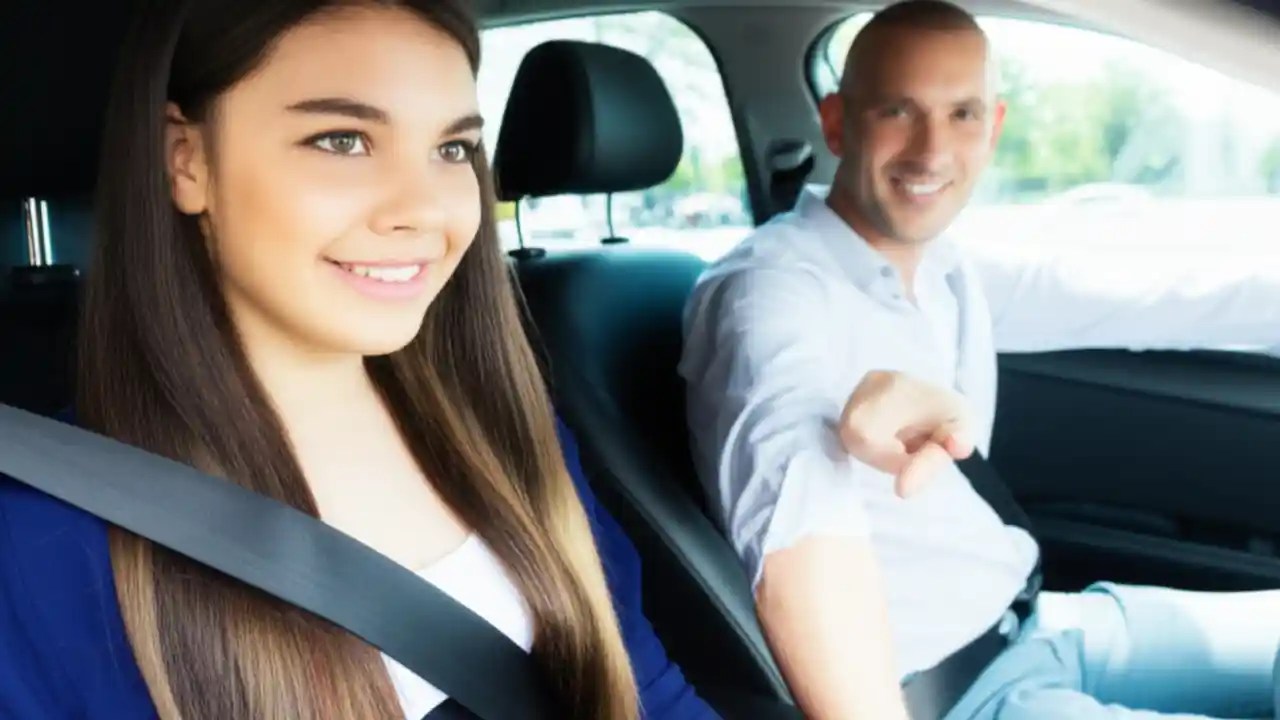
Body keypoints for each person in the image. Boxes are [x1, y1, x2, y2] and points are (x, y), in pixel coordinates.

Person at [0, 1, 718, 718]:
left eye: (453, 150)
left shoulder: (509, 434)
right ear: (185, 159)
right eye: (342, 140)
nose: (423, 209)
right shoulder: (37, 547)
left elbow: (646, 694)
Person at [680, 1, 1280, 718]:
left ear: (992, 130)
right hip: (953, 696)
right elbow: (799, 545)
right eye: (899, 111)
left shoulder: (946, 268)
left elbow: (1162, 297)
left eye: (962, 114)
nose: (932, 150)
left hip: (1041, 628)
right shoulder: (768, 295)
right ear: (838, 122)